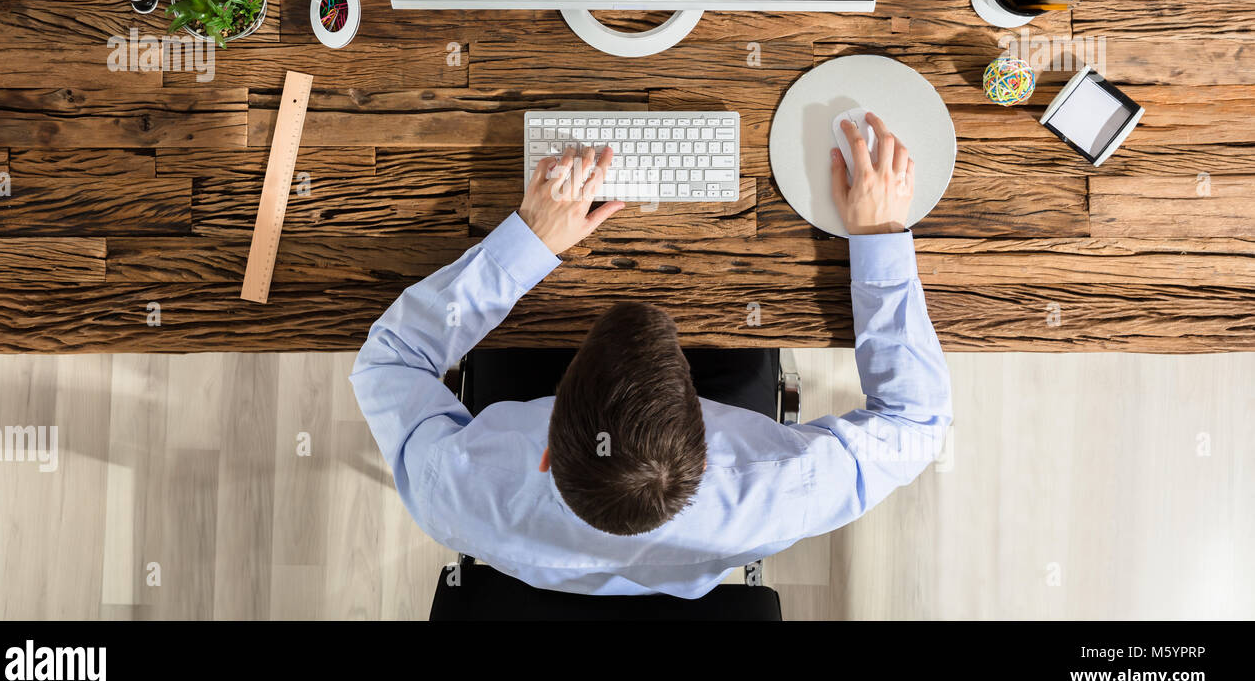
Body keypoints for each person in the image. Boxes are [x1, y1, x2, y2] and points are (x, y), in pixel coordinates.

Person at [351, 113, 951, 598]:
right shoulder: (779, 492)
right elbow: (916, 423)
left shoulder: (457, 488)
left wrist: (526, 241)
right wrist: (879, 235)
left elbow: (388, 362)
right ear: (706, 425)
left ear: (550, 428)